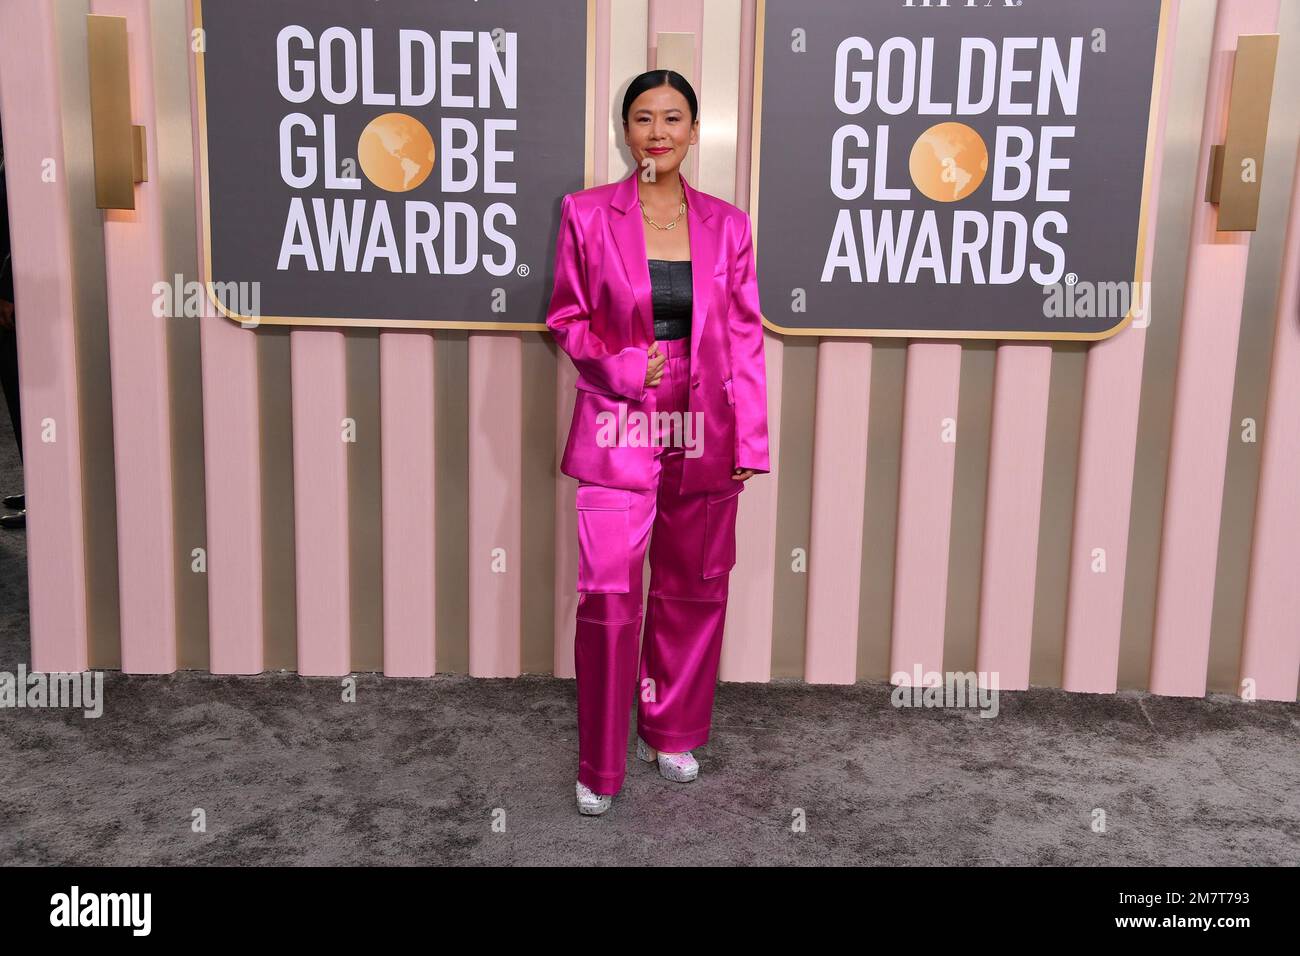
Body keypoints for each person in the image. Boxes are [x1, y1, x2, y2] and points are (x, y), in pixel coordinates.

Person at [545, 70, 770, 815]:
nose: (658, 132)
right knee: (610, 592)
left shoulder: (728, 225)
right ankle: (599, 763)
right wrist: (617, 362)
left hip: (706, 420)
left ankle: (670, 730)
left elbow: (742, 336)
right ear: (625, 132)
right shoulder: (586, 214)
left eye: (673, 118)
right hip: (620, 418)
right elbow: (565, 319)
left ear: (695, 131)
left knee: (694, 585)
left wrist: (751, 437)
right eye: (643, 118)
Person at [0, 117, 23, 531]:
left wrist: (6, 291)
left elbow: (15, 237)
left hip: (16, 299)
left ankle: (47, 488)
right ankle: (37, 481)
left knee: (26, 400)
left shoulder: (22, 161)